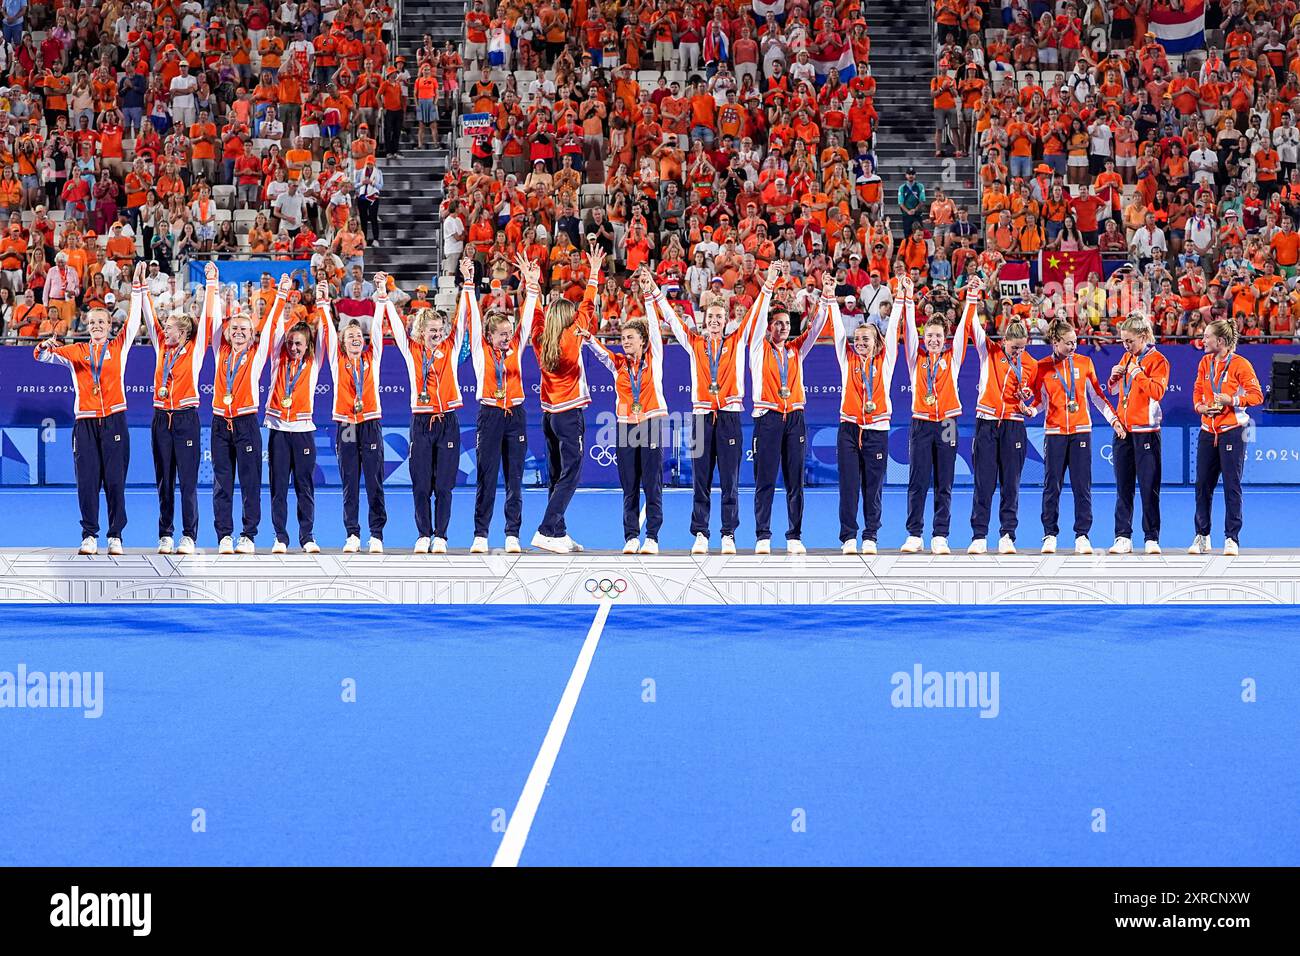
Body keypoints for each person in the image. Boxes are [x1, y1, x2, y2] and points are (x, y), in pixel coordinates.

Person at [660, 261, 776, 555]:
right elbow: (673, 321)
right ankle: (700, 533)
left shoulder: (737, 342)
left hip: (729, 416)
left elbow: (754, 315)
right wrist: (656, 296)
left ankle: (728, 534)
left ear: (725, 320)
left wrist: (769, 284)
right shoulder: (694, 343)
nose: (714, 320)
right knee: (700, 479)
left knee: (730, 480)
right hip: (701, 416)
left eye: (719, 316)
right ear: (704, 319)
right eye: (710, 316)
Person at [34, 278, 141, 555]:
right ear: (86, 325)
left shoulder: (118, 348)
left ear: (109, 326)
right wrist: (45, 347)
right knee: (87, 481)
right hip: (85, 424)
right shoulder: (77, 352)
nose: (96, 326)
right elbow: (44, 358)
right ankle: (89, 534)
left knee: (115, 480)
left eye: (101, 322)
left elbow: (134, 320)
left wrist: (138, 289)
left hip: (115, 420)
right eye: (92, 322)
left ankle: (115, 535)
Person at [583, 268, 669, 554]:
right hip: (625, 427)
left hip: (652, 423)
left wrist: (647, 293)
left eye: (631, 337)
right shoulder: (618, 364)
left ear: (643, 341)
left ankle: (653, 537)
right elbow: (599, 351)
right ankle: (631, 536)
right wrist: (589, 337)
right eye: (623, 338)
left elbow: (655, 326)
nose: (625, 342)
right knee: (629, 485)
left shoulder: (654, 358)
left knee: (652, 485)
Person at [749, 262, 829, 554]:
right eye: (776, 323)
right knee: (765, 480)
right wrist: (769, 283)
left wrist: (827, 297)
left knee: (795, 480)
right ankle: (763, 536)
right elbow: (757, 319)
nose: (781, 327)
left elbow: (817, 326)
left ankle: (794, 536)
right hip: (768, 418)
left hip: (795, 417)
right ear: (769, 327)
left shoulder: (796, 350)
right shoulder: (758, 348)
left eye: (785, 323)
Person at [529, 246, 605, 554]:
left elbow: (534, 313)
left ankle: (558, 532)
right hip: (569, 414)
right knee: (571, 474)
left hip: (548, 416)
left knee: (557, 474)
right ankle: (546, 529)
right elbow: (588, 304)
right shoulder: (573, 334)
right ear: (567, 318)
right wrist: (595, 271)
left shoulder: (539, 337)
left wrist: (532, 284)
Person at [1020, 320, 1118, 555]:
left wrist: (1113, 419)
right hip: (1054, 434)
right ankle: (1050, 535)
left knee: (1081, 486)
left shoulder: (1085, 363)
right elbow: (1039, 400)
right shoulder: (1042, 367)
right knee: (1051, 486)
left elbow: (1097, 396)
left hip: (1081, 431)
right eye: (1069, 343)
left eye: (1075, 342)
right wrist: (1031, 411)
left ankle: (1082, 535)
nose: (1074, 346)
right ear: (1056, 343)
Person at [140, 261, 216, 555]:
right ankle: (165, 534)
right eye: (165, 327)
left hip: (186, 419)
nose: (164, 330)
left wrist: (211, 285)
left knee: (187, 481)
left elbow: (207, 322)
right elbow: (148, 317)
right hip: (161, 418)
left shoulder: (194, 350)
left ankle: (189, 535)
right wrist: (141, 288)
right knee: (164, 481)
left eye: (170, 327)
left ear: (183, 333)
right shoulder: (161, 347)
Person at [466, 252, 538, 554]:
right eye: (502, 334)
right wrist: (469, 284)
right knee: (486, 475)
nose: (508, 338)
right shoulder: (481, 351)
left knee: (514, 477)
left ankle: (512, 533)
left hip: (516, 415)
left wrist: (531, 286)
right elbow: (470, 320)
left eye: (510, 333)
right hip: (490, 415)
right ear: (489, 336)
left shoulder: (516, 347)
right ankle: (481, 534)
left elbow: (529, 316)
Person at [830, 271, 906, 554]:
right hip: (849, 429)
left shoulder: (886, 362)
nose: (860, 343)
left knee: (872, 487)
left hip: (876, 430)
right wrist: (830, 299)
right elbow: (838, 330)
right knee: (848, 486)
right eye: (858, 339)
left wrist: (899, 300)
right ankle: (849, 536)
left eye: (866, 340)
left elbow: (895, 326)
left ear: (876, 343)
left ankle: (870, 536)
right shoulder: (847, 359)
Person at [389, 284, 468, 554]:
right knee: (421, 483)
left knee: (444, 485)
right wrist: (383, 298)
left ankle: (441, 536)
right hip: (421, 423)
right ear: (421, 332)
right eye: (431, 330)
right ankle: (423, 534)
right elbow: (397, 329)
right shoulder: (412, 351)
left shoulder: (451, 348)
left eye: (439, 330)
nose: (437, 334)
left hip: (447, 422)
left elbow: (462, 319)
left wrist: (467, 284)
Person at [212, 275, 288, 554]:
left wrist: (280, 294)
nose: (239, 332)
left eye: (244, 328)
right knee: (221, 482)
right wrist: (212, 284)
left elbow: (269, 328)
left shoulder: (256, 355)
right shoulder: (220, 352)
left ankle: (248, 534)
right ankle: (224, 535)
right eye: (234, 328)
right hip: (220, 422)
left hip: (245, 423)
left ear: (251, 333)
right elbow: (213, 320)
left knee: (250, 481)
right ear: (228, 331)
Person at [900, 278, 974, 554]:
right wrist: (907, 298)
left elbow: (965, 327)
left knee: (945, 479)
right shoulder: (914, 358)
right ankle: (914, 534)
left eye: (938, 337)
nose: (933, 340)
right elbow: (907, 331)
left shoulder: (952, 358)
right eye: (929, 336)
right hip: (920, 422)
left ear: (945, 339)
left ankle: (940, 534)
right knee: (918, 479)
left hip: (947, 423)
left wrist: (973, 297)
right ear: (924, 336)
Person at [321, 278, 388, 554]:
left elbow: (379, 328)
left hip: (370, 422)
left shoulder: (373, 358)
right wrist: (324, 303)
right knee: (349, 481)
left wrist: (381, 298)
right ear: (342, 342)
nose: (356, 338)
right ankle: (352, 534)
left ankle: (376, 534)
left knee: (374, 480)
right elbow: (326, 332)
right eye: (350, 336)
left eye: (359, 336)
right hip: (347, 424)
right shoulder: (338, 362)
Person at [967, 278, 1032, 554]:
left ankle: (1007, 535)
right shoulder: (989, 352)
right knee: (984, 482)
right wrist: (973, 294)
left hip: (1014, 426)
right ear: (1004, 341)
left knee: (1011, 484)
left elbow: (1037, 399)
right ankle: (979, 535)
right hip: (987, 423)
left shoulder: (1030, 364)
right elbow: (971, 326)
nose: (1018, 352)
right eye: (1014, 347)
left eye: (1022, 347)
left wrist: (1030, 405)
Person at [1189, 319, 1263, 556]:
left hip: (1232, 432)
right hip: (1207, 431)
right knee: (1202, 485)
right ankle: (1202, 536)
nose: (1203, 340)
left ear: (1220, 341)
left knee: (1232, 485)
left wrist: (1233, 401)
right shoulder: (1204, 362)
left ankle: (1232, 538)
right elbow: (1198, 391)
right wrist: (1201, 408)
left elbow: (1257, 396)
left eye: (1207, 336)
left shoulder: (1240, 364)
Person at [264, 289, 327, 554]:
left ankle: (307, 537)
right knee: (278, 488)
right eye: (290, 343)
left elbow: (325, 337)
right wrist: (280, 297)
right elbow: (274, 329)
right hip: (278, 431)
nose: (294, 347)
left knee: (304, 486)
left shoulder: (313, 362)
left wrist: (323, 302)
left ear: (308, 346)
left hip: (303, 432)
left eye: (299, 343)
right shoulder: (278, 360)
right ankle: (280, 537)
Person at [1106, 314, 1170, 555]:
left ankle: (1151, 537)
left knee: (1148, 486)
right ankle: (1123, 536)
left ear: (1143, 337)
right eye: (1123, 341)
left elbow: (1157, 391)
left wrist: (1136, 373)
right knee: (1123, 487)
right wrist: (1114, 378)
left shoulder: (1158, 360)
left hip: (1147, 432)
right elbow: (1116, 392)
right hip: (1123, 431)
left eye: (1130, 341)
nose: (1126, 346)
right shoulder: (1127, 357)